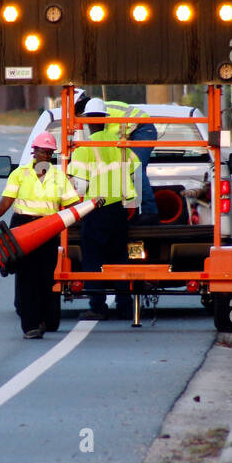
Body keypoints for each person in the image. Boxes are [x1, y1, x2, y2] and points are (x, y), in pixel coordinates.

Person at [0, 132, 81, 339]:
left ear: (52, 154)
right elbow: (6, 201)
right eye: (41, 151)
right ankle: (30, 325)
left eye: (48, 152)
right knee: (26, 277)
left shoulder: (59, 176)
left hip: (48, 228)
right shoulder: (19, 174)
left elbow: (72, 205)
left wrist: (77, 214)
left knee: (46, 277)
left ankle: (42, 318)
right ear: (33, 152)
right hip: (22, 228)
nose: (45, 155)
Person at [67, 99, 140, 320]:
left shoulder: (85, 148)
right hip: (118, 209)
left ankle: (97, 306)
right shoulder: (120, 144)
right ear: (106, 120)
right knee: (119, 257)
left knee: (93, 258)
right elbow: (135, 171)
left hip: (95, 210)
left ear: (88, 122)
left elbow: (78, 185)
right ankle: (125, 306)